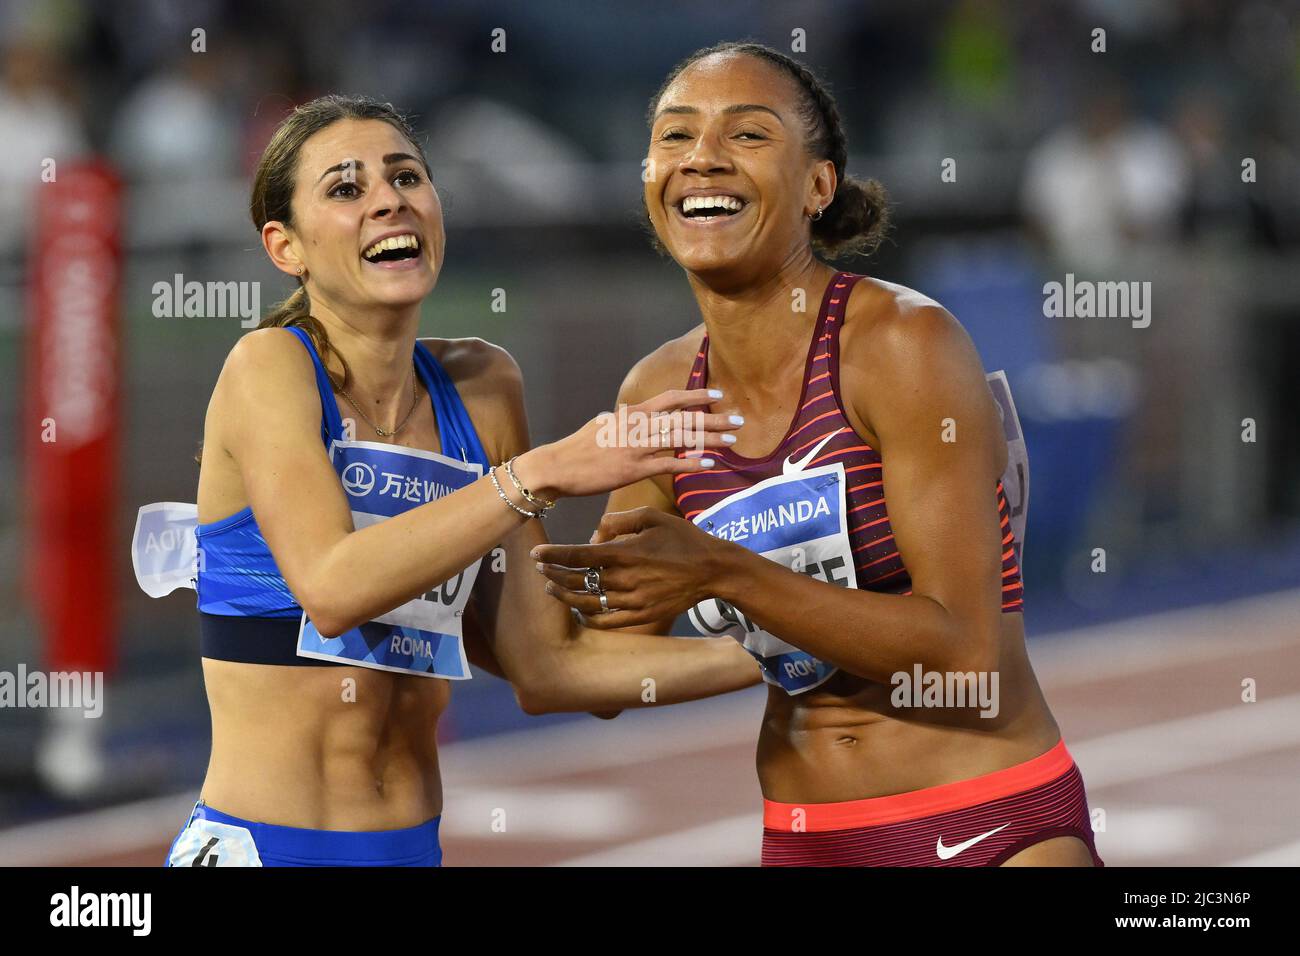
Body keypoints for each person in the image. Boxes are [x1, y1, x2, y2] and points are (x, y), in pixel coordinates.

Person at [533, 43, 1104, 867]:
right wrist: (511, 501)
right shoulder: (657, 389)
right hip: (809, 839)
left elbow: (963, 651)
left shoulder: (904, 344)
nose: (702, 158)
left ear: (818, 185)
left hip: (987, 816)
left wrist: (724, 576)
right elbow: (591, 669)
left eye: (749, 135)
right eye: (675, 135)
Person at [159, 94, 759, 867]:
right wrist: (537, 473)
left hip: (412, 848)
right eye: (346, 190)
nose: (388, 201)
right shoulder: (268, 368)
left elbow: (551, 667)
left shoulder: (480, 385)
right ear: (286, 246)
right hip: (267, 848)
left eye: (407, 177)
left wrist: (784, 647)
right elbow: (333, 589)